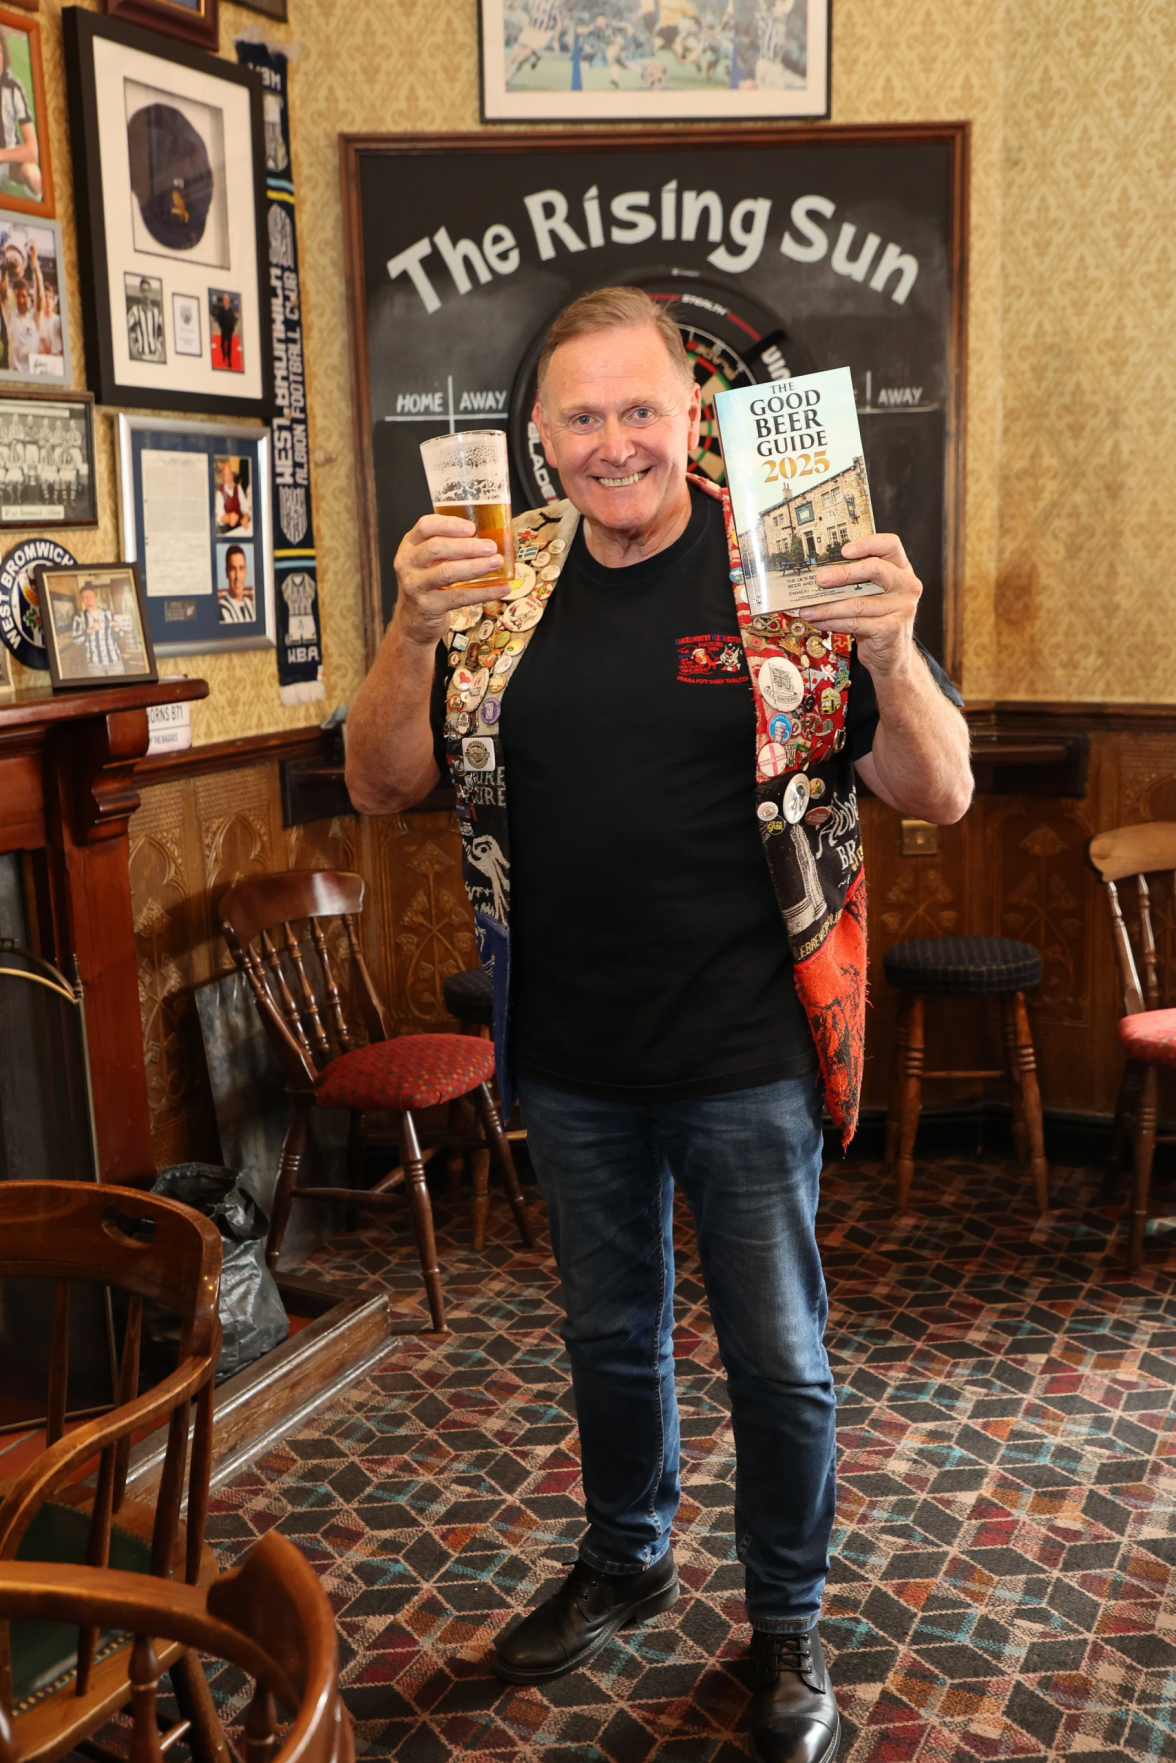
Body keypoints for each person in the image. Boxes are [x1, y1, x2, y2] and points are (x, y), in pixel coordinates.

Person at [345, 287, 973, 1763]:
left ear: (693, 411)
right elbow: (379, 782)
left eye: (641, 408)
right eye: (583, 415)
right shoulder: (492, 582)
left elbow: (938, 790)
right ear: (540, 432)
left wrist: (892, 651)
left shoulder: (791, 563)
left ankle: (788, 1622)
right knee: (607, 1335)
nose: (614, 442)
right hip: (568, 1049)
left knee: (780, 1356)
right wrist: (405, 632)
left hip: (748, 1046)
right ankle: (626, 1556)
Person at [0, 32, 41, 200]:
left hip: (9, 162)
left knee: (35, 177)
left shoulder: (13, 87)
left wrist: (1, 155)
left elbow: (32, 151)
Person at [0, 240, 46, 375]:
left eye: (24, 296)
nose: (21, 300)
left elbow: (40, 293)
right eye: (18, 296)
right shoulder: (11, 316)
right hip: (14, 376)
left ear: (29, 297)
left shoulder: (34, 317)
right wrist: (5, 268)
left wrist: (34, 261)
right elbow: (3, 294)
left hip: (33, 376)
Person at [70, 585, 124, 677]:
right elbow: (76, 640)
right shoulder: (79, 618)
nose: (88, 599)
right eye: (85, 597)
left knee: (120, 685)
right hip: (94, 663)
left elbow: (121, 634)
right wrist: (89, 631)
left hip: (114, 659)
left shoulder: (109, 614)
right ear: (82, 600)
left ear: (96, 598)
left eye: (91, 596)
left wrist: (117, 630)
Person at [217, 543, 255, 622]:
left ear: (245, 571)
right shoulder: (222, 609)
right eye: (233, 569)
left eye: (241, 568)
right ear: (227, 572)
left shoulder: (251, 606)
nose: (237, 576)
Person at [215, 457, 252, 535]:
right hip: (228, 532)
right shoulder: (220, 492)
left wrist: (246, 517)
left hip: (240, 529)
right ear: (223, 477)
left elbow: (245, 508)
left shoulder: (238, 487)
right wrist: (228, 518)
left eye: (229, 474)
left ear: (232, 475)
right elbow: (219, 516)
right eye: (225, 475)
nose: (228, 478)